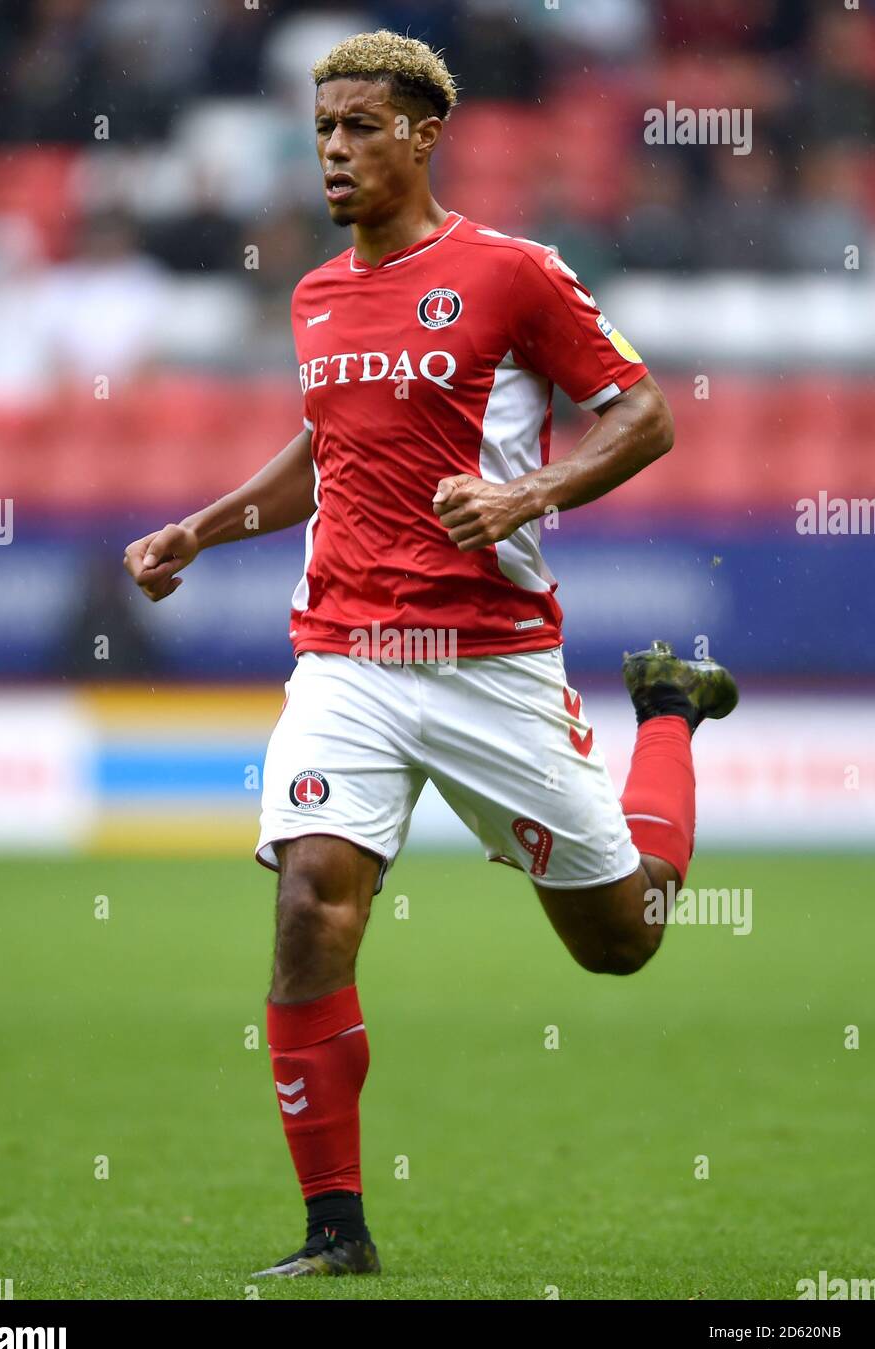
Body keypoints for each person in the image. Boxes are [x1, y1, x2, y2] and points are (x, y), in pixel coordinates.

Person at [123, 30, 738, 1279]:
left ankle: (665, 714)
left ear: (421, 133)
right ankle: (336, 1232)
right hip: (345, 654)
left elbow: (646, 413)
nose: (334, 149)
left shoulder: (512, 274)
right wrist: (202, 527)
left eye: (359, 126)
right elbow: (322, 451)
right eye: (323, 127)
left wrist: (528, 497)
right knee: (309, 906)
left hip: (490, 660)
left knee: (623, 937)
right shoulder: (313, 294)